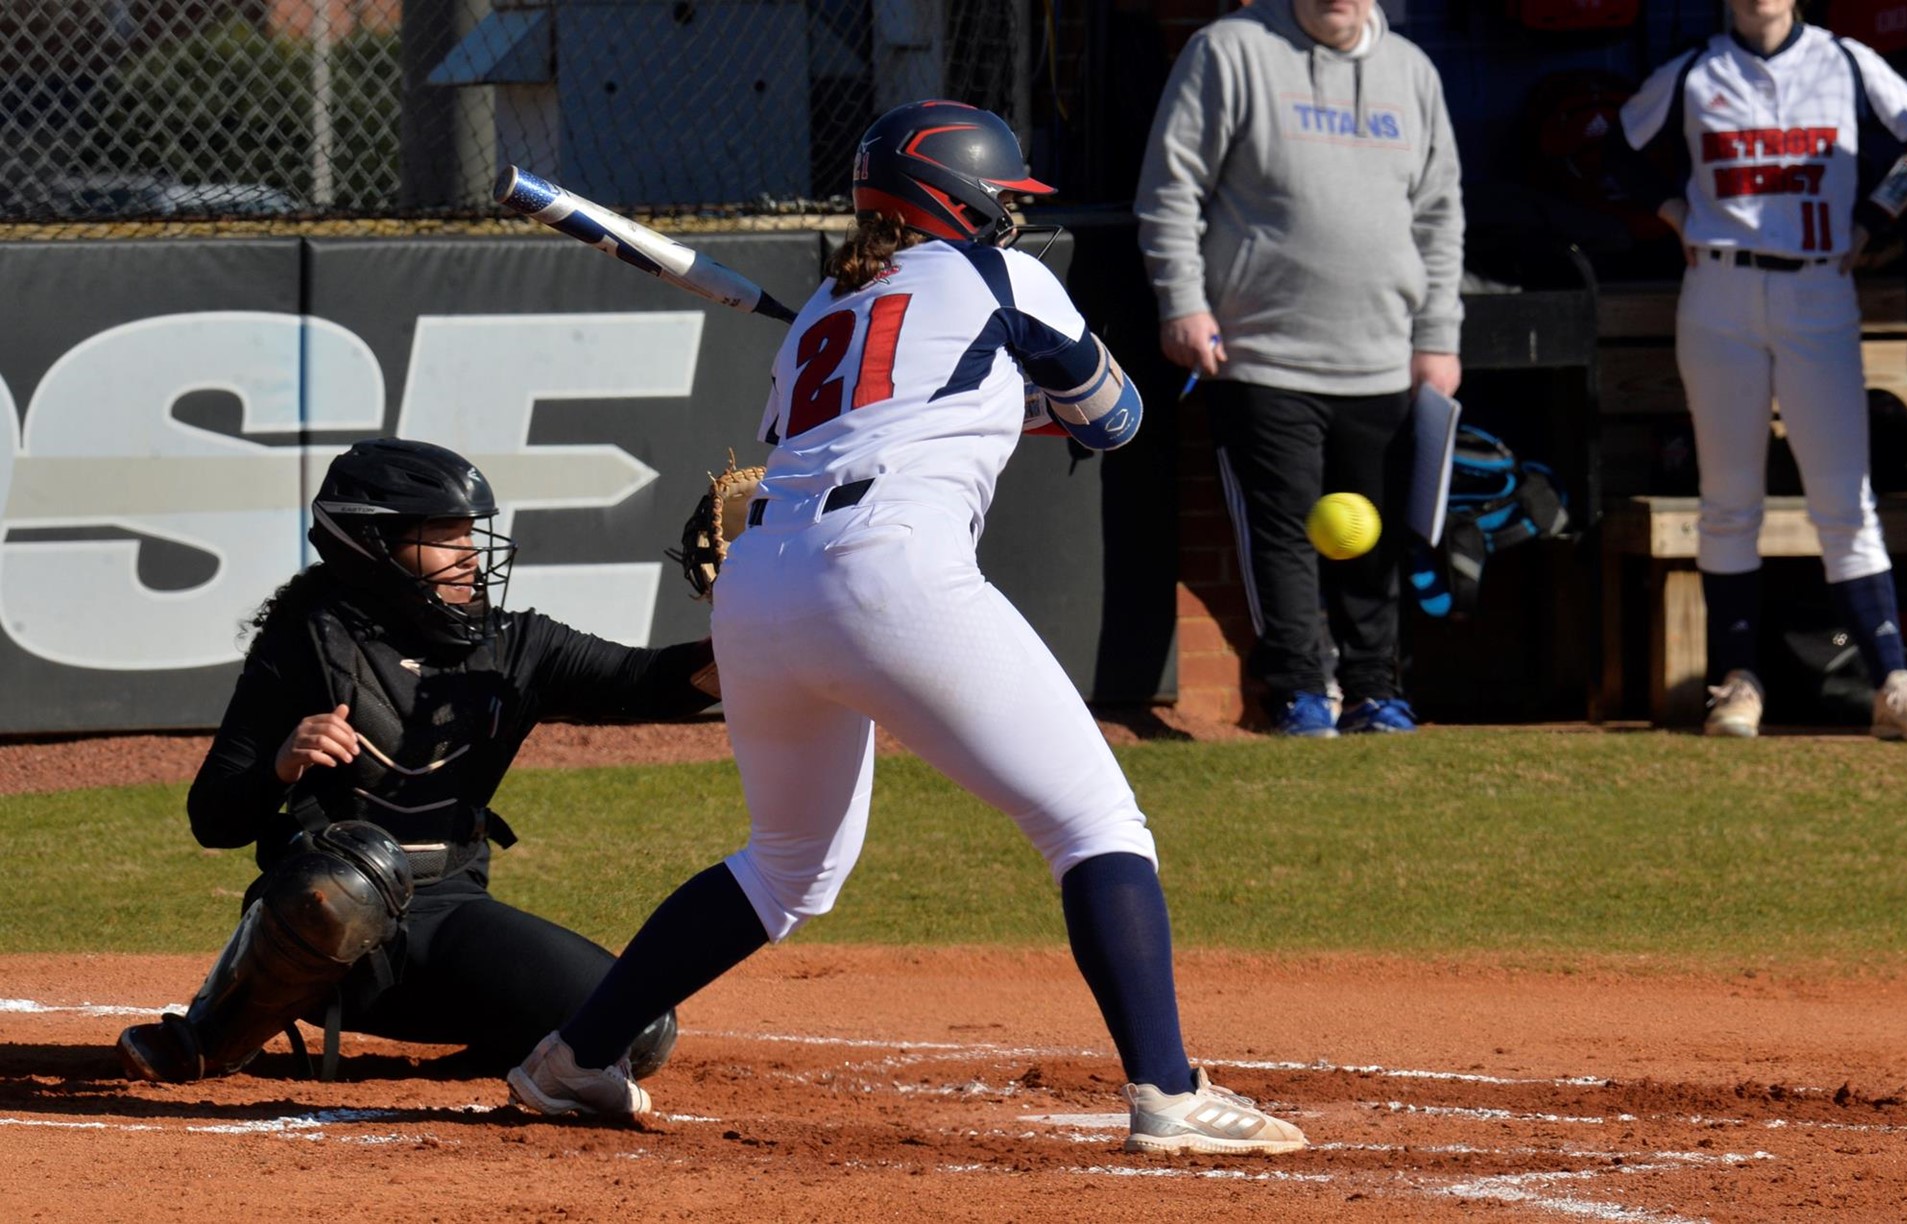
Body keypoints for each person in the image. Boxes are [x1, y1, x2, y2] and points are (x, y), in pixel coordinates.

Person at [505, 99, 1307, 1156]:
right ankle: (1167, 1091)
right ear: (961, 195)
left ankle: (574, 1058)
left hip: (762, 583)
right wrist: (1037, 399)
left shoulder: (819, 318)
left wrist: (1008, 398)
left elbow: (879, 412)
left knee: (788, 864)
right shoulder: (1006, 281)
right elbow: (1117, 419)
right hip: (890, 563)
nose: (1010, 223)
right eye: (1001, 202)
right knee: (1094, 824)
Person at [115, 437, 710, 1084]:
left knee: (640, 1033)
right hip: (326, 940)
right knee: (352, 879)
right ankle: (207, 1036)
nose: (470, 557)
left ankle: (501, 1060)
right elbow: (214, 818)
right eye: (445, 537)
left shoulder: (514, 646)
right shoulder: (305, 644)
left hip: (448, 923)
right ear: (374, 545)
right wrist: (284, 762)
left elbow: (653, 681)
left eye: (471, 536)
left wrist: (762, 626)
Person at [1134, 0, 1464, 737]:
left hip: (1384, 358)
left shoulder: (1412, 72)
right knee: (1281, 534)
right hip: (1261, 354)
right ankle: (1297, 695)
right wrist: (1182, 303)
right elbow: (1171, 188)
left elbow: (1440, 213)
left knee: (1372, 536)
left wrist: (1437, 336)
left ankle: (1376, 692)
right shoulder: (1230, 52)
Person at [1619, 0, 1907, 739]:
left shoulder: (1847, 60)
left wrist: (1876, 216)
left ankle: (1892, 680)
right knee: (1727, 499)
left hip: (1820, 286)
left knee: (1844, 498)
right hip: (1719, 291)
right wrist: (1669, 209)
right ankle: (1739, 683)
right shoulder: (1694, 69)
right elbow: (1612, 150)